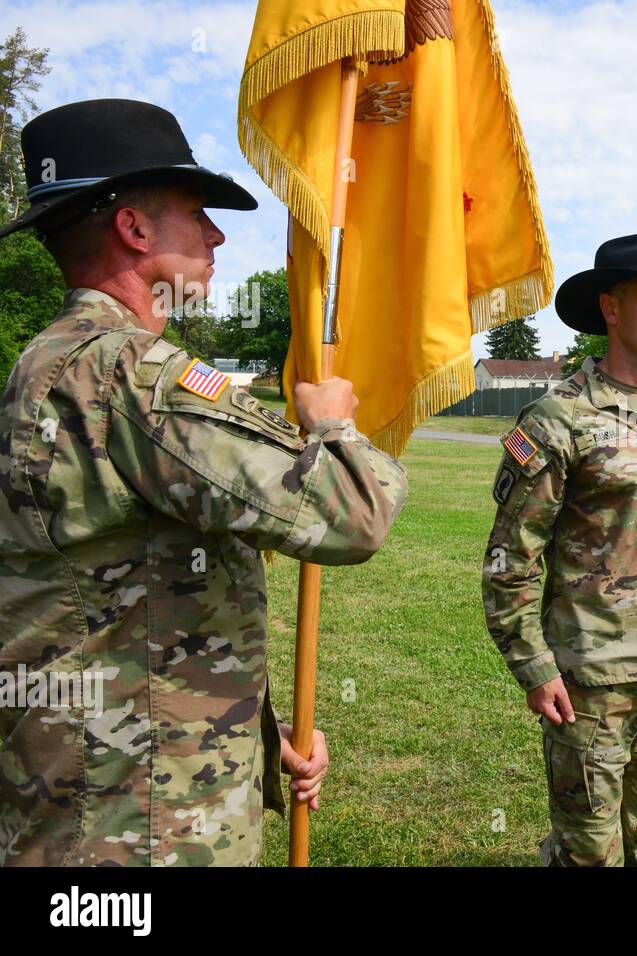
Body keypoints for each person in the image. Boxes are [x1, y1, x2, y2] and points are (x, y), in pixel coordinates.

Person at [0, 99, 408, 866]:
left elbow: (123, 606)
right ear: (135, 229)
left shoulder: (42, 363)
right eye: (197, 212)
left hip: (102, 794)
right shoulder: (135, 376)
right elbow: (354, 514)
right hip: (142, 824)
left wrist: (249, 742)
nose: (217, 235)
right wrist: (332, 426)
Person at [482, 234, 637, 866]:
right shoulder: (558, 418)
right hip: (591, 681)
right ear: (610, 309)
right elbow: (510, 560)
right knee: (587, 851)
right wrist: (535, 668)